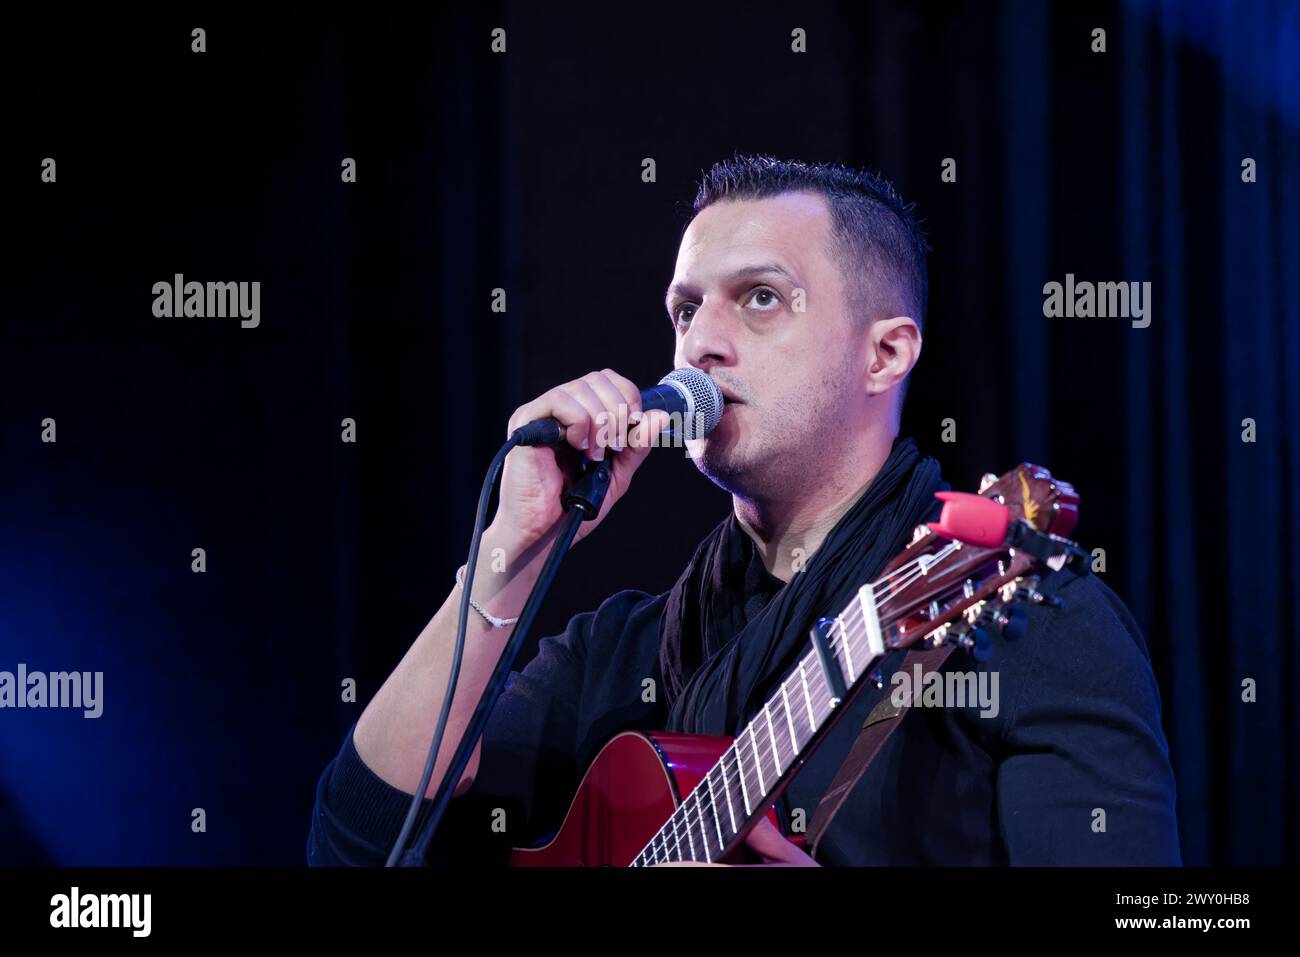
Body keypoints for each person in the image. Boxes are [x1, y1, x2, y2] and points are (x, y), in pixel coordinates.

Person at [307, 155, 1182, 867]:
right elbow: (357, 836)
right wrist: (513, 548)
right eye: (685, 309)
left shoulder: (1028, 620)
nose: (699, 342)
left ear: (885, 353)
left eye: (759, 297)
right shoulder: (619, 656)